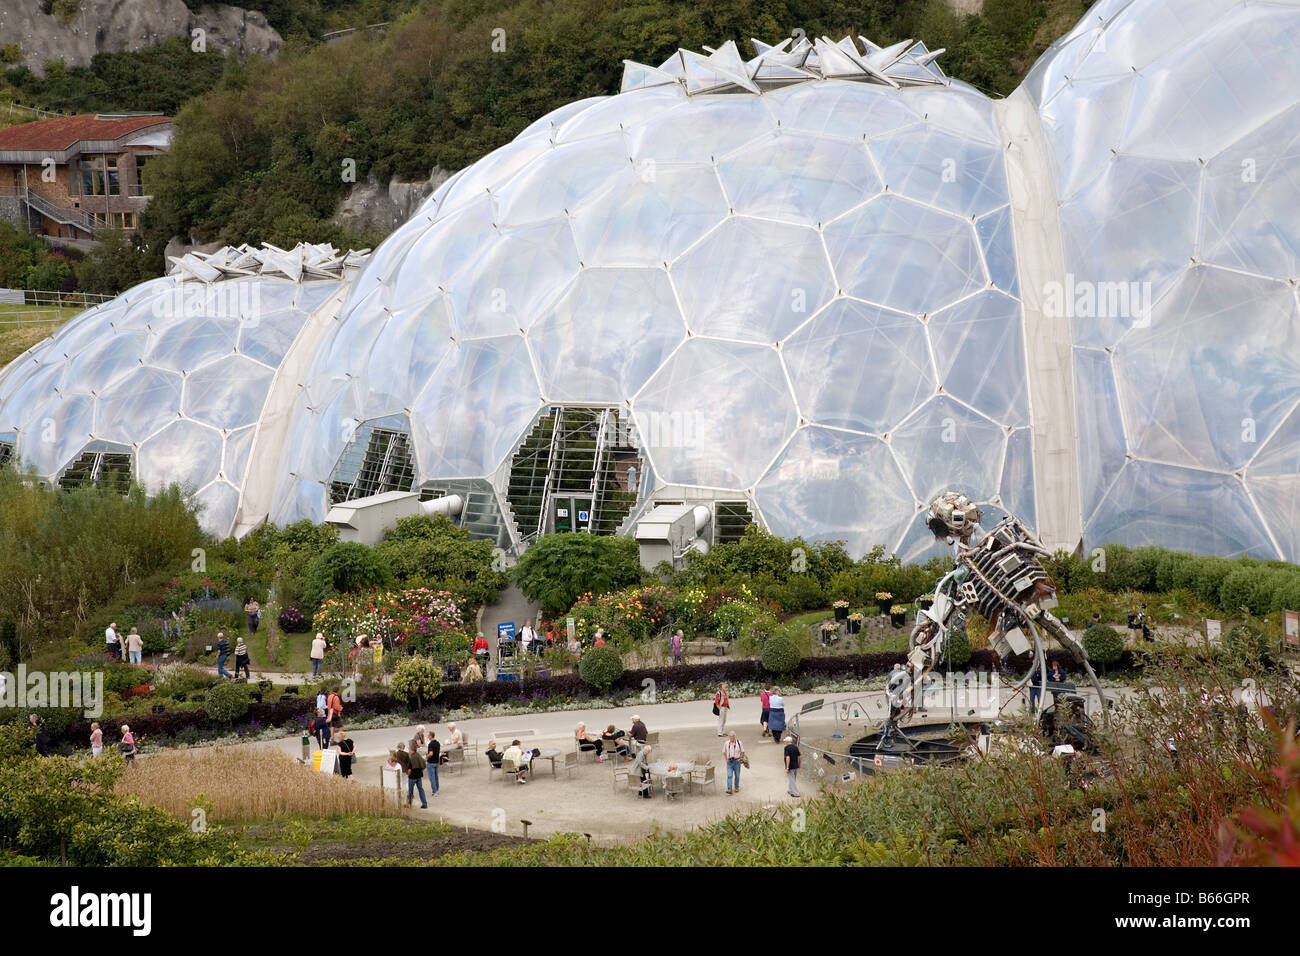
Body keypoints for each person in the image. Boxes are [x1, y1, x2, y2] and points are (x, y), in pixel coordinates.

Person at [406, 737, 428, 808]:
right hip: (419, 776)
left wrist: (408, 774)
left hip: (412, 777)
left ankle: (409, 804)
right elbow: (423, 764)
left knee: (410, 791)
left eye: (409, 749)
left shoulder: (411, 758)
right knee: (421, 789)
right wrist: (420, 770)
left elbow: (409, 769)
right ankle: (424, 803)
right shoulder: (418, 755)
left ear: (412, 750)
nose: (409, 751)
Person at [426, 731, 441, 796]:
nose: (427, 737)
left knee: (432, 777)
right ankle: (436, 789)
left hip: (431, 762)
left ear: (430, 736)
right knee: (436, 776)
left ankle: (434, 791)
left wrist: (426, 757)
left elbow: (431, 753)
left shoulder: (430, 744)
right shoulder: (438, 743)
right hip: (436, 761)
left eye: (428, 735)